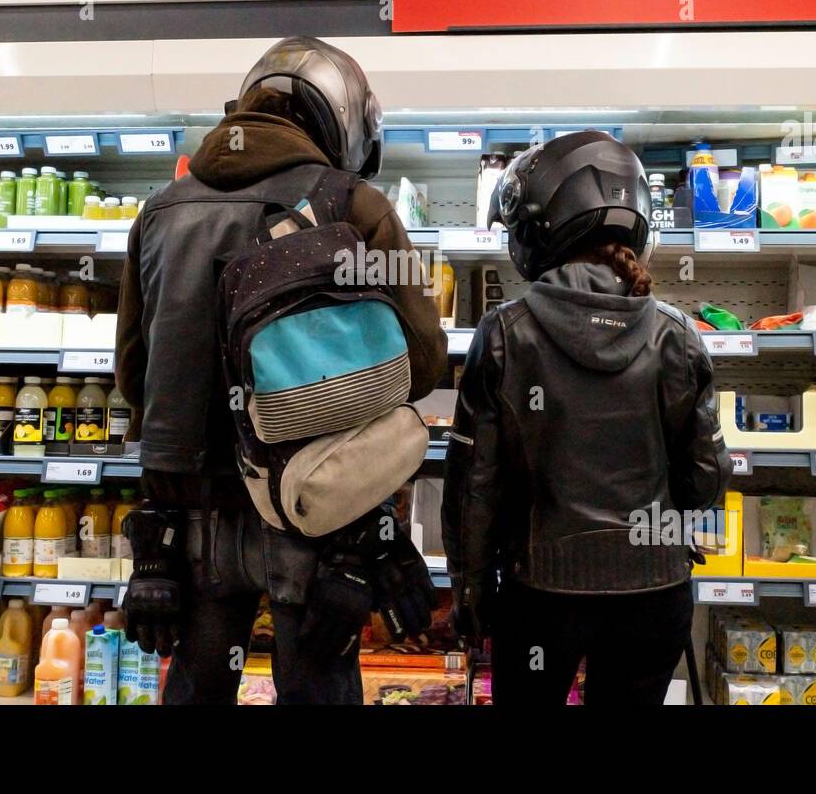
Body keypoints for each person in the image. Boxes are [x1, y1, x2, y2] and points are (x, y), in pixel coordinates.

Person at [116, 36, 448, 704]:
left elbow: (133, 375)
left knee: (197, 690)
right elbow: (421, 362)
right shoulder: (355, 206)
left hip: (191, 518)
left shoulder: (159, 213)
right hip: (317, 506)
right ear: (344, 120)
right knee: (319, 688)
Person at [442, 130, 731, 705]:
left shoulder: (504, 333)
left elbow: (476, 486)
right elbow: (705, 482)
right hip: (653, 591)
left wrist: (470, 590)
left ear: (542, 226)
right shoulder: (676, 334)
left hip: (542, 593)